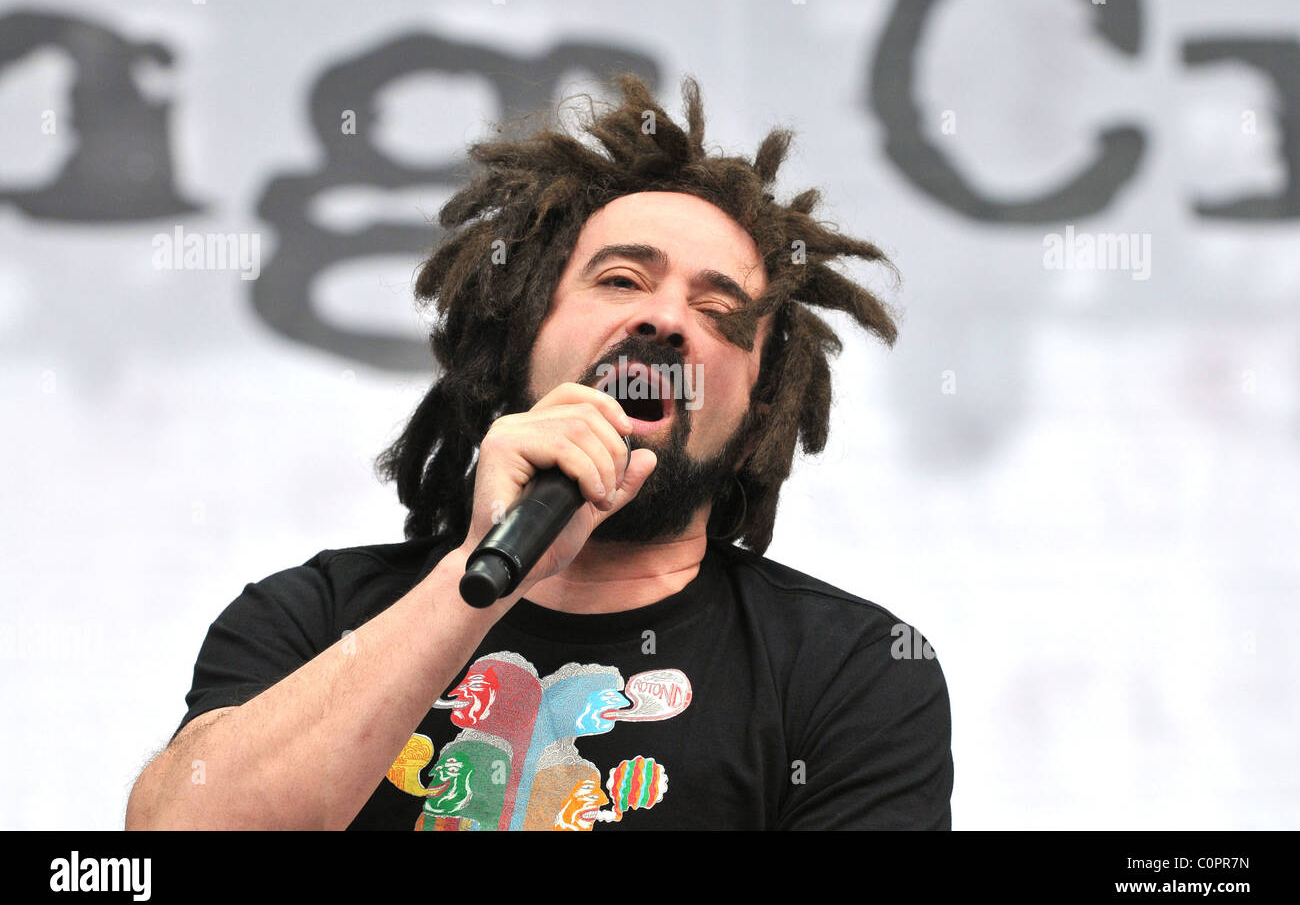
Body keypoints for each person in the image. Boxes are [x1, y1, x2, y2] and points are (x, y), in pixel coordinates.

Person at [125, 72, 953, 831]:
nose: (665, 321)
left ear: (756, 418)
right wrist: (475, 582)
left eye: (719, 309)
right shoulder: (314, 617)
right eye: (622, 280)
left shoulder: (851, 672)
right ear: (520, 344)